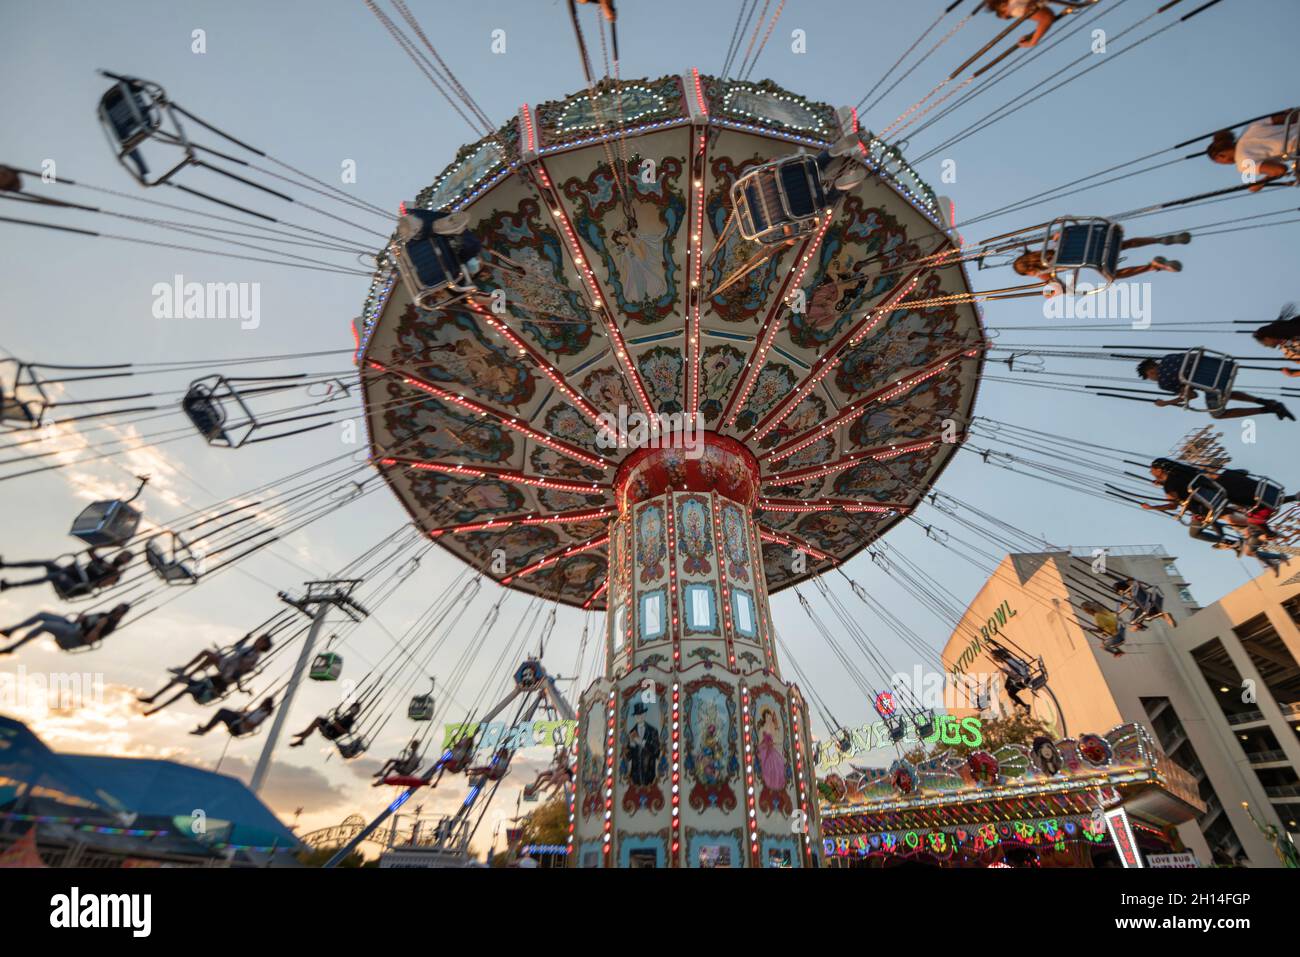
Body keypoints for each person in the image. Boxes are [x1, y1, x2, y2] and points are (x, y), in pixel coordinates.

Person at [1012, 232, 1188, 292]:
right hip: (1098, 241)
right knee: (1123, 245)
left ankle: (1152, 266)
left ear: (1028, 271)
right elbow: (1061, 234)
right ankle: (1159, 240)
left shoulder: (1043, 271)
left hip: (1093, 258)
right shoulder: (1047, 244)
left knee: (1114, 275)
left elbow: (1060, 286)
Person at [1137, 354, 1292, 420]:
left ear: (1151, 371)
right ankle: (1264, 401)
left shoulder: (1163, 382)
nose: (1151, 378)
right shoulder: (1169, 358)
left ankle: (1268, 409)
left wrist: (1166, 403)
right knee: (1222, 392)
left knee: (1217, 414)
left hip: (1210, 384)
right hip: (1222, 369)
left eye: (1149, 376)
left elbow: (1191, 396)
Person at [137, 633, 273, 705]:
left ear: (263, 645)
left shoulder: (255, 656)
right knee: (206, 654)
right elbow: (236, 648)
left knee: (208, 655)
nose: (258, 640)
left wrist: (243, 663)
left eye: (261, 640)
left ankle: (187, 672)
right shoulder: (249, 648)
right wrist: (244, 640)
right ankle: (155, 696)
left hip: (228, 671)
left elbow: (243, 668)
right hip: (226, 663)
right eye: (259, 638)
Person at [1206, 110, 1298, 190]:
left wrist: (1261, 183)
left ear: (1221, 155)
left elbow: (1280, 170)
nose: (1226, 164)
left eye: (1221, 162)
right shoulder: (1250, 127)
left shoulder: (1243, 164)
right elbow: (1291, 117)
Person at [0, 603, 129, 655]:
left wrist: (98, 627)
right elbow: (83, 620)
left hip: (74, 636)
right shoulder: (103, 614)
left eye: (119, 611)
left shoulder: (110, 626)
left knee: (45, 626)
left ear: (121, 615)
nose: (115, 610)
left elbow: (89, 640)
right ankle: (11, 630)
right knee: (43, 615)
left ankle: (12, 648)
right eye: (116, 608)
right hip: (74, 626)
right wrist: (82, 618)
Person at [0, 548, 133, 597]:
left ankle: (10, 585)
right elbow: (90, 551)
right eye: (122, 553)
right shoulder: (102, 561)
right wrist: (111, 543)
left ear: (126, 562)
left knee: (55, 575)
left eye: (124, 556)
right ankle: (5, 565)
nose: (121, 556)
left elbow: (100, 585)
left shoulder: (115, 575)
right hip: (70, 575)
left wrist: (114, 573)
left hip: (74, 586)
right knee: (48, 563)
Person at [982, 0, 1065, 48]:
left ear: (1003, 10)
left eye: (1008, 17)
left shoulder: (1014, 8)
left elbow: (1046, 18)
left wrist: (1033, 41)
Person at [1252, 303, 1300, 377]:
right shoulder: (1288, 342)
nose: (1265, 345)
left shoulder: (1289, 347)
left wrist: (1293, 374)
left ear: (1267, 338)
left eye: (1263, 342)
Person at [288, 701, 361, 747]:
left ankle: (303, 735)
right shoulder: (346, 716)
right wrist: (336, 715)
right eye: (352, 707)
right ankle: (302, 738)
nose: (352, 709)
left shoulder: (351, 720)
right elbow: (337, 721)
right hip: (330, 728)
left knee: (318, 721)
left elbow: (344, 731)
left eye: (354, 709)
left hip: (331, 733)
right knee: (318, 719)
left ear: (356, 711)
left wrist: (336, 723)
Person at [191, 697, 275, 737]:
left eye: (263, 701)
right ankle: (205, 729)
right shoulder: (259, 710)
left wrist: (242, 716)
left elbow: (251, 724)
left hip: (239, 728)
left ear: (266, 703)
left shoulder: (263, 714)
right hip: (239, 722)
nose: (261, 702)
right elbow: (247, 716)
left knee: (222, 712)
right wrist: (243, 712)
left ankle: (205, 730)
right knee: (223, 711)